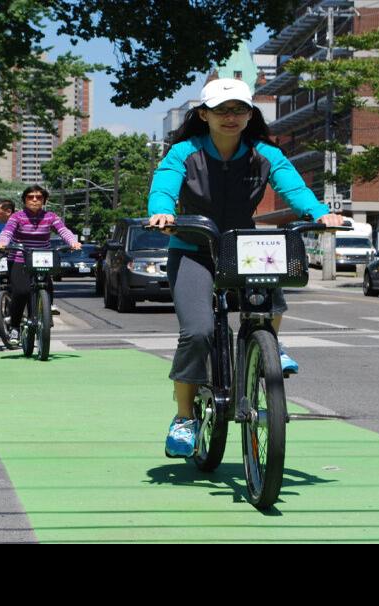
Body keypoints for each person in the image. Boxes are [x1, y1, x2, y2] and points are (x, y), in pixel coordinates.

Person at [146, 79, 344, 457]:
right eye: (221, 110)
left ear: (250, 114)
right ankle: (184, 417)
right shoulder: (183, 153)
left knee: (270, 305)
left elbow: (295, 189)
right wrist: (162, 212)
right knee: (199, 331)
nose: (231, 117)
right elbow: (164, 187)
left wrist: (320, 213)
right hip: (193, 246)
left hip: (243, 246)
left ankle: (267, 345)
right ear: (203, 115)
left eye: (239, 109)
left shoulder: (265, 154)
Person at [0, 184, 82, 344]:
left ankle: (45, 310)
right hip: (20, 259)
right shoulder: (17, 217)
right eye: (30, 197)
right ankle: (15, 327)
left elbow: (63, 230)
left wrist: (73, 242)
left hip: (42, 258)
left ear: (44, 200)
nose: (34, 200)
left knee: (47, 287)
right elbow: (8, 231)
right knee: (21, 292)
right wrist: (3, 242)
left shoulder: (50, 216)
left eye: (39, 197)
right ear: (24, 200)